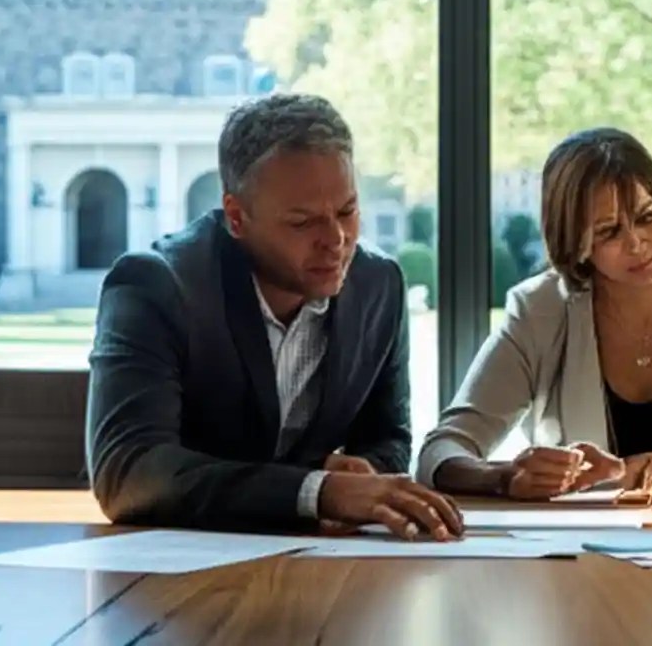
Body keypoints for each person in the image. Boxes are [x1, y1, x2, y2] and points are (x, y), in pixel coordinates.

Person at [86, 93, 462, 541]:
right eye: (303, 222)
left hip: (326, 566)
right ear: (236, 217)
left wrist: (366, 473)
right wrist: (317, 492)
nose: (336, 239)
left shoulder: (378, 286)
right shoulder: (156, 285)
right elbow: (128, 472)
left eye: (347, 211)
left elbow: (390, 438)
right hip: (173, 577)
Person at [416, 127, 652, 503]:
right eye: (609, 231)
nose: (636, 242)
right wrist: (503, 476)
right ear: (573, 240)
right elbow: (441, 451)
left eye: (647, 217)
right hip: (570, 548)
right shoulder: (539, 310)